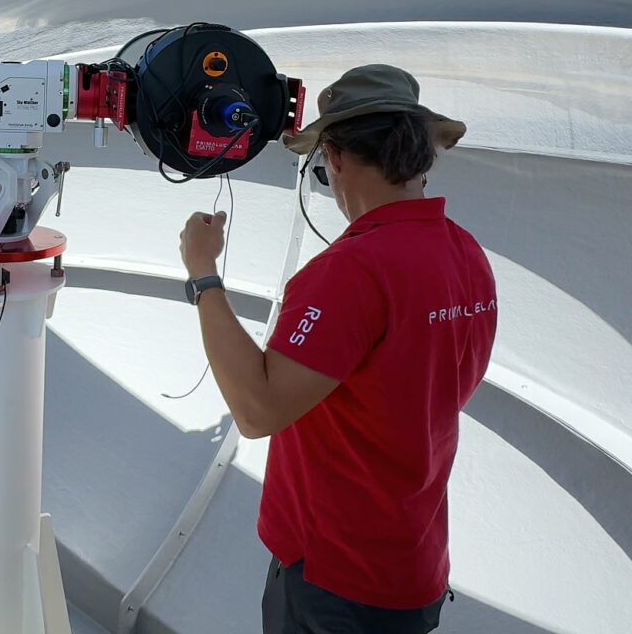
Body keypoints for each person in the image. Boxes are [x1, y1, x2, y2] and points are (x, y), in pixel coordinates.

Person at [178, 65, 497, 634]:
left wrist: (203, 273)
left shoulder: (351, 270)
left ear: (336, 157)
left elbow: (258, 410)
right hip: (413, 569)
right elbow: (447, 386)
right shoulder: (466, 252)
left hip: (335, 584)